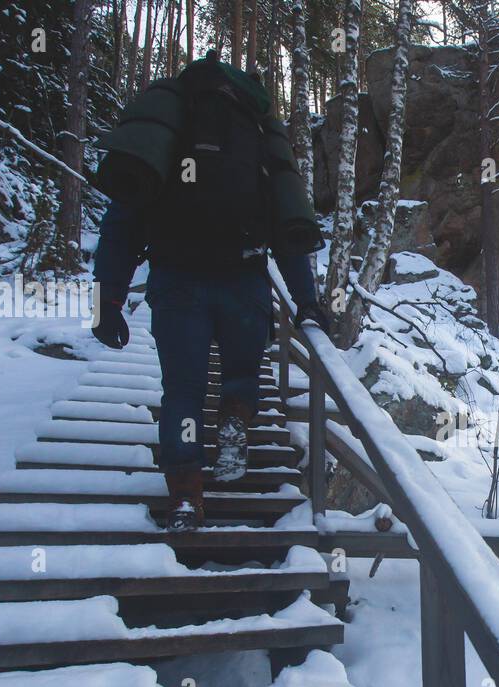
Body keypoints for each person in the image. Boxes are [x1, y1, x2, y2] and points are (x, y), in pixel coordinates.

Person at [91, 53, 327, 532]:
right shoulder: (258, 135)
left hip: (178, 281)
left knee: (183, 391)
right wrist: (307, 300)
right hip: (244, 280)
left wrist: (109, 299)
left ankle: (185, 495)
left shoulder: (167, 127)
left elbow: (124, 219)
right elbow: (287, 222)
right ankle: (236, 414)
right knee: (242, 371)